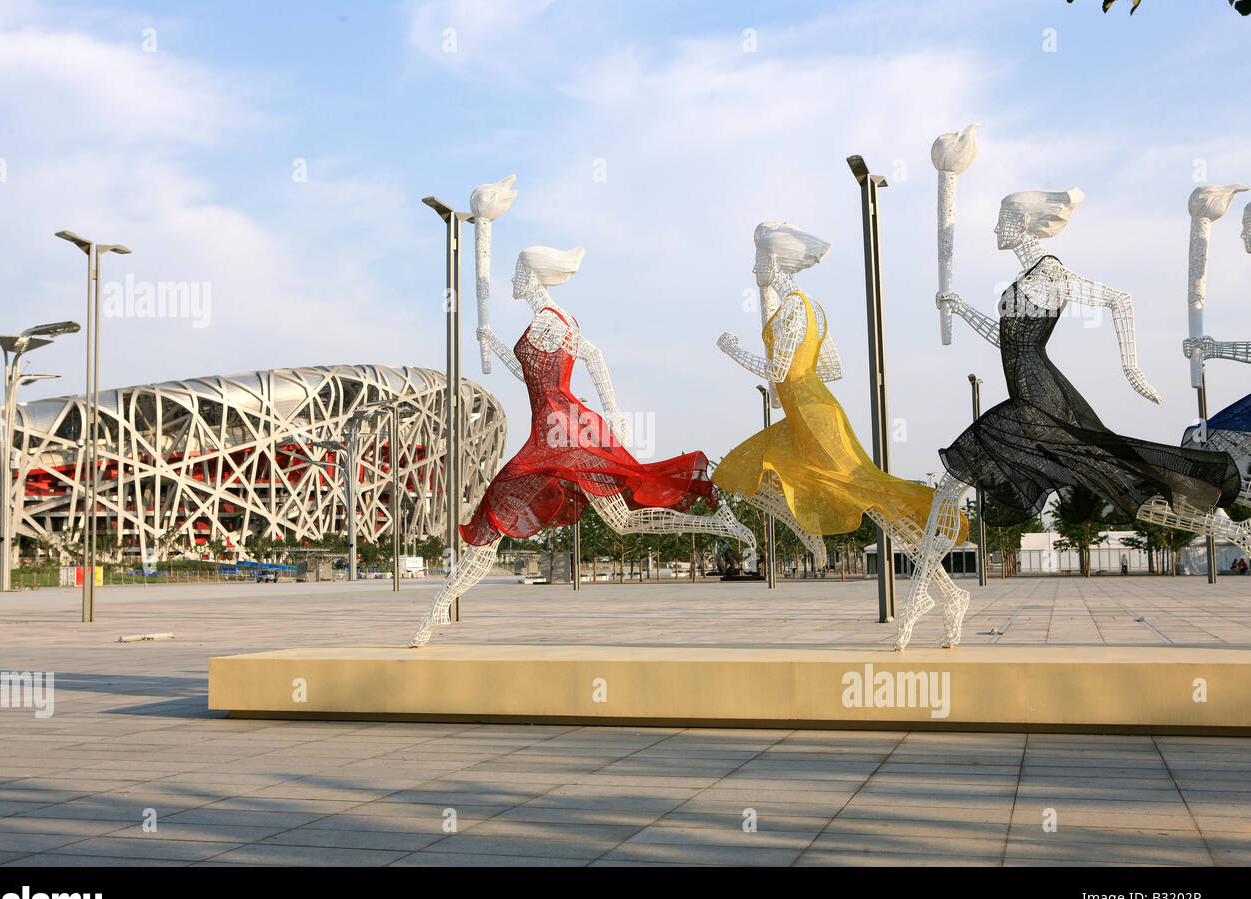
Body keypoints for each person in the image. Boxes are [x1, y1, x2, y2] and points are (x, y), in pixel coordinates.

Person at [910, 187, 1240, 650]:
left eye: (1002, 219)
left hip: (1040, 401)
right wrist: (962, 309)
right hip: (1029, 397)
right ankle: (1233, 530)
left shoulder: (1051, 272)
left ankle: (926, 592)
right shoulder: (1024, 279)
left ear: (1022, 223)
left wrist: (1132, 368)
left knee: (958, 479)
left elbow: (1118, 299)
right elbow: (1008, 346)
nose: (994, 229)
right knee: (1116, 479)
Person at [408, 245, 755, 647]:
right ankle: (436, 610)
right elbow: (534, 379)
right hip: (552, 431)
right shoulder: (548, 321)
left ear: (533, 275)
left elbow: (593, 354)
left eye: (519, 271)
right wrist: (496, 343)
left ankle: (435, 610)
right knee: (610, 520)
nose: (513, 280)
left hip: (563, 432)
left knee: (518, 513)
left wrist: (615, 411)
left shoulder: (550, 321)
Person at [715, 222, 970, 641]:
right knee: (771, 471)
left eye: (759, 258)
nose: (754, 268)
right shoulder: (813, 308)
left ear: (773, 260)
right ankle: (939, 588)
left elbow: (779, 371)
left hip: (814, 419)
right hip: (811, 412)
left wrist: (734, 350)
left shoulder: (794, 308)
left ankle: (939, 585)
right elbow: (830, 368)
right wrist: (796, 374)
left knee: (866, 495)